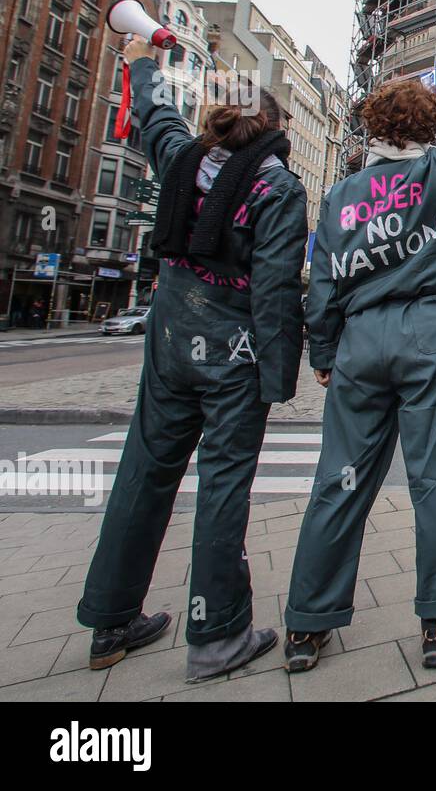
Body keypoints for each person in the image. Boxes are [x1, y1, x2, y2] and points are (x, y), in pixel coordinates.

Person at [283, 35, 436, 673]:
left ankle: (307, 627)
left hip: (361, 339)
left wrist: (325, 351)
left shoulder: (339, 199)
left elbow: (322, 283)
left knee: (338, 480)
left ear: (373, 131)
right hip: (429, 330)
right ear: (429, 127)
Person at [78, 35, 308, 681]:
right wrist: (277, 374)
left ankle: (111, 618)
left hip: (172, 345)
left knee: (144, 472)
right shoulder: (275, 188)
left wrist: (139, 60)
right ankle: (216, 634)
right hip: (233, 354)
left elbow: (155, 114)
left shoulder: (182, 159)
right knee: (223, 488)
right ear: (270, 128)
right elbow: (274, 292)